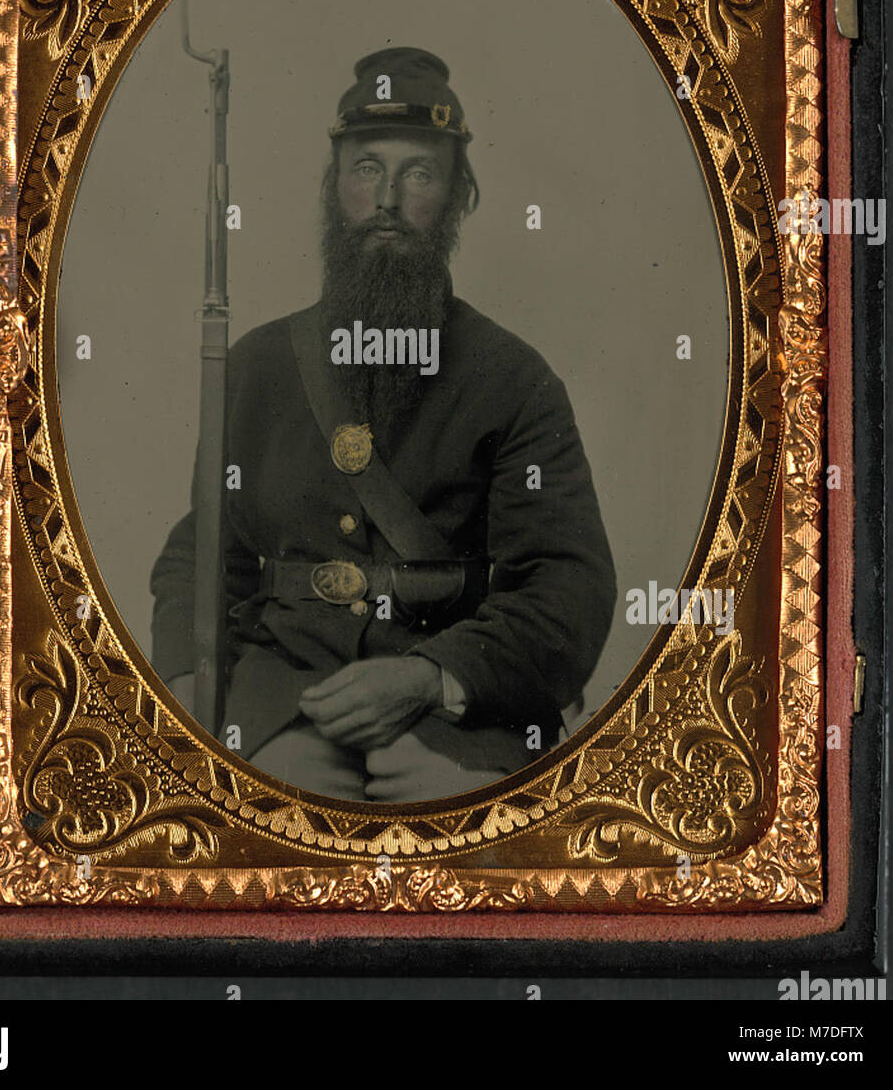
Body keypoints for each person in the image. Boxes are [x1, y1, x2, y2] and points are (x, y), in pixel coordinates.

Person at [150, 47, 615, 803]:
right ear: (335, 189)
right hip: (284, 698)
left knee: (448, 828)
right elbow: (199, 558)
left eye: (420, 174)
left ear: (461, 195)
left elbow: (568, 588)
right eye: (367, 168)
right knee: (281, 821)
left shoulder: (515, 381)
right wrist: (188, 687)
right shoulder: (257, 368)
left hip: (454, 712)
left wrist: (433, 679)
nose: (389, 198)